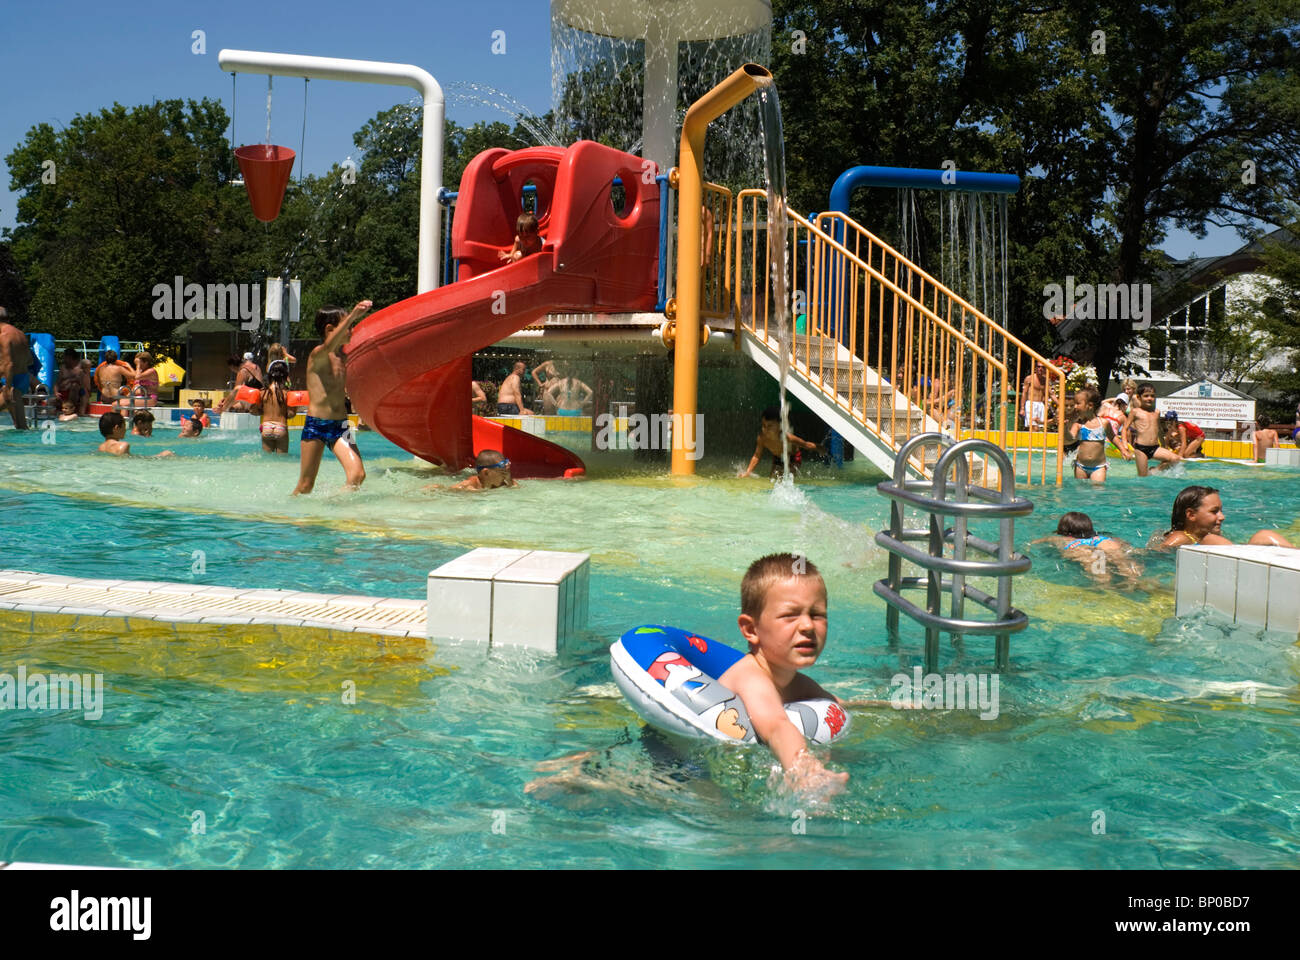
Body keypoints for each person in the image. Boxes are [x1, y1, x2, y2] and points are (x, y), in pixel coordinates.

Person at [716, 554, 848, 797]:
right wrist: (806, 771)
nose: (808, 626)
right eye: (790, 615)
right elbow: (777, 726)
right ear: (751, 629)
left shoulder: (797, 683)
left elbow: (837, 706)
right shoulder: (750, 678)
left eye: (817, 614)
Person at [292, 301, 372, 495]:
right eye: (348, 325)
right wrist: (353, 314)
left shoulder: (342, 358)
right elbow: (328, 346)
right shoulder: (318, 355)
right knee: (305, 486)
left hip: (340, 426)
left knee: (357, 475)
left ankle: (331, 507)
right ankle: (290, 514)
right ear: (330, 329)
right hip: (316, 425)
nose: (351, 330)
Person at [1160, 485, 1295, 548]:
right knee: (1263, 536)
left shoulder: (1201, 537)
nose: (1222, 517)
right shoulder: (1180, 537)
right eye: (1214, 511)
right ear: (1191, 514)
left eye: (1221, 511)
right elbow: (1154, 555)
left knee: (1263, 536)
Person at [1032, 512, 1142, 583]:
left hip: (1080, 548)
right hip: (1104, 542)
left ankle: (1108, 588)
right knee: (1125, 565)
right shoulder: (1103, 537)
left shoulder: (1060, 539)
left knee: (1102, 578)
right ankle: (1140, 583)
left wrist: (1031, 545)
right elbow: (1124, 543)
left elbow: (1035, 542)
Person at [740, 406, 825, 479]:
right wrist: (748, 472)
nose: (765, 429)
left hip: (794, 458)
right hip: (777, 458)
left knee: (786, 478)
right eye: (763, 425)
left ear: (780, 426)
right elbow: (757, 455)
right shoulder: (762, 438)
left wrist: (820, 448)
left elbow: (806, 445)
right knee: (772, 478)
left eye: (770, 426)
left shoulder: (787, 437)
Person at [1126, 384, 1180, 476]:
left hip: (1155, 448)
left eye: (1152, 396)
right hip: (1141, 449)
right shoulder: (1135, 412)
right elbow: (1125, 428)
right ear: (1139, 397)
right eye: (1146, 396)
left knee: (1175, 459)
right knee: (1143, 477)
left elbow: (1158, 429)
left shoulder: (1156, 412)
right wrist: (1124, 446)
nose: (1149, 398)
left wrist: (1164, 445)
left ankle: (1154, 471)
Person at [1068, 385, 1113, 483]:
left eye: (1078, 403)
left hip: (1098, 467)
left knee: (1097, 489)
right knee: (1080, 491)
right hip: (1081, 466)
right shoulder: (1078, 425)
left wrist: (1123, 449)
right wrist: (1064, 429)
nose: (1075, 406)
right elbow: (1070, 439)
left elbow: (1113, 437)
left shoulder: (1104, 423)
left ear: (1090, 405)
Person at [0, 314, 33, 430]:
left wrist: (8, 387)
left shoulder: (4, 336)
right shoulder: (21, 334)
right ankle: (25, 445)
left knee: (20, 424)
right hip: (23, 378)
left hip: (11, 382)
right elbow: (29, 360)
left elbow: (9, 364)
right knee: (21, 426)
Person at [97, 410, 172, 457]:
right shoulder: (123, 446)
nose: (125, 430)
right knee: (167, 453)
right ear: (116, 428)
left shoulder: (101, 447)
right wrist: (158, 456)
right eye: (124, 427)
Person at [259, 359, 291, 454]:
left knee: (267, 460)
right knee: (282, 461)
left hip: (266, 427)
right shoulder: (287, 393)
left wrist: (264, 411)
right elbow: (291, 414)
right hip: (281, 428)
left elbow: (254, 411)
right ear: (285, 375)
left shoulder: (262, 392)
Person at [449, 449, 519, 490]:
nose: (505, 473)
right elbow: (446, 492)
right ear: (486, 472)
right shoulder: (469, 485)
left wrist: (509, 480)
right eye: (502, 470)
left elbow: (517, 490)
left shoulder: (503, 482)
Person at [1098, 394, 1133, 459]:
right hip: (1111, 442)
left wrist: (1114, 399)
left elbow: (1097, 420)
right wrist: (1126, 447)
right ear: (1125, 406)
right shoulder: (1123, 417)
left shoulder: (1106, 409)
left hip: (1099, 438)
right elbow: (1124, 434)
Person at [1022, 362, 1047, 429]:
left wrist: (1060, 404)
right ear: (1035, 368)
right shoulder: (1029, 378)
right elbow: (1024, 393)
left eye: (1042, 367)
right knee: (1033, 427)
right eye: (1038, 367)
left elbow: (1050, 394)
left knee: (1041, 427)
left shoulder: (1045, 380)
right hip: (1031, 404)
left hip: (1041, 404)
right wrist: (1022, 408)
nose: (1040, 369)